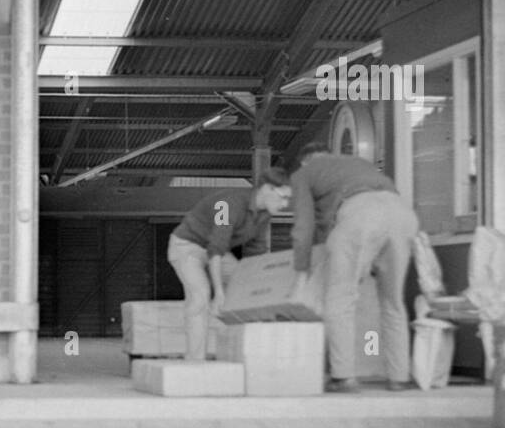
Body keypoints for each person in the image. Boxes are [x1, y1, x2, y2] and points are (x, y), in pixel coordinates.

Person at [286, 140, 420, 392]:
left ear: (306, 161)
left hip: (360, 215)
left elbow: (303, 227)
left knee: (340, 299)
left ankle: (343, 377)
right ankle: (399, 377)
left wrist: (301, 273)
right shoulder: (358, 164)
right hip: (402, 214)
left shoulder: (303, 174)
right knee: (393, 302)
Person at [167, 168, 292, 360]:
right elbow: (216, 248)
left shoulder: (264, 214)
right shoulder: (225, 204)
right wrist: (219, 293)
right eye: (283, 197)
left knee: (241, 289)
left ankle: (243, 353)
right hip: (187, 247)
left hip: (216, 251)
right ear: (267, 188)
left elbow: (256, 252)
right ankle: (194, 362)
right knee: (201, 296)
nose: (285, 204)